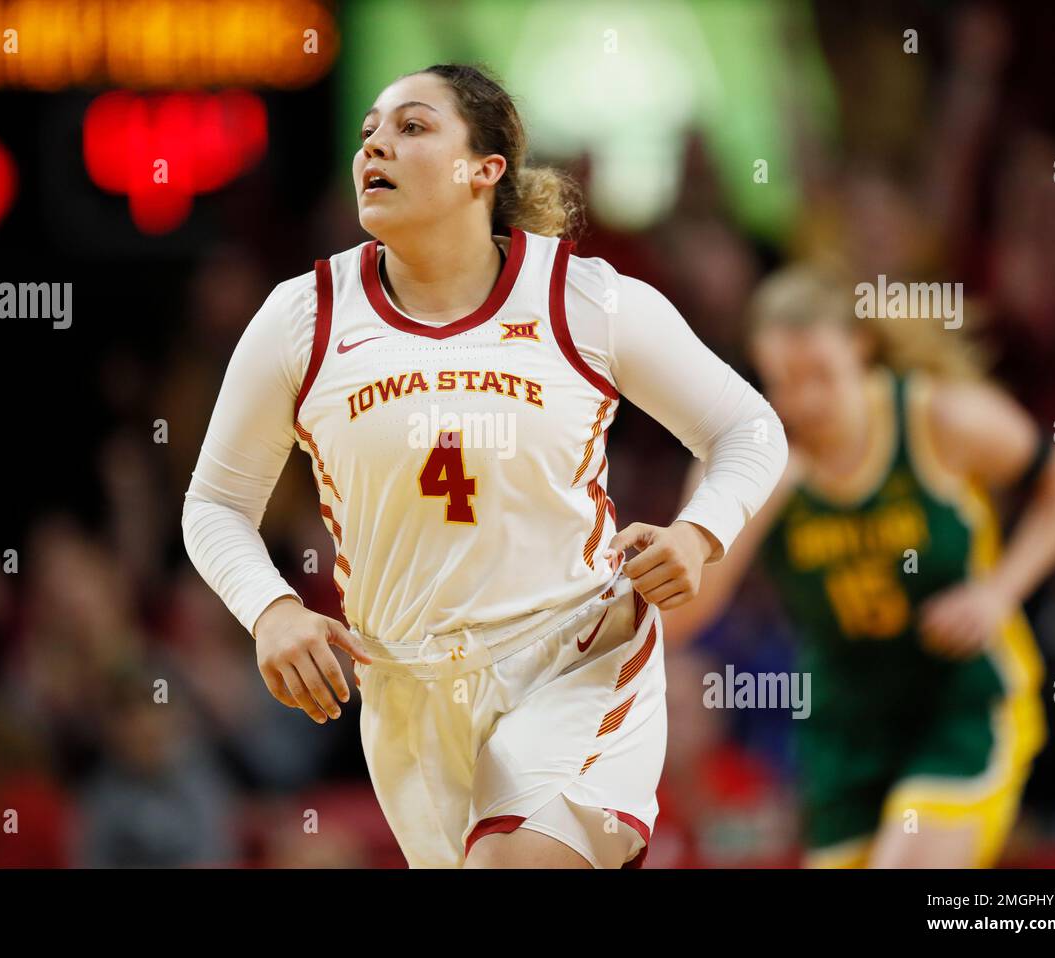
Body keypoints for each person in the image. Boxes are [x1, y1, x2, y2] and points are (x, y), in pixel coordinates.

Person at [182, 63, 787, 868]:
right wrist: (273, 611)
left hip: (574, 657)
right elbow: (215, 503)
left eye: (412, 127)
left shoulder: (585, 301)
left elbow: (749, 427)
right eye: (368, 132)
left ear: (485, 169)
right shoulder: (304, 317)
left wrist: (698, 534)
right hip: (408, 693)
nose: (376, 146)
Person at [662, 264, 1055, 867]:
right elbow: (694, 607)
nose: (803, 399)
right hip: (846, 729)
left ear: (860, 349)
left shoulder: (939, 418)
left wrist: (999, 591)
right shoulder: (766, 463)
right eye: (782, 381)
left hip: (959, 703)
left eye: (820, 375)